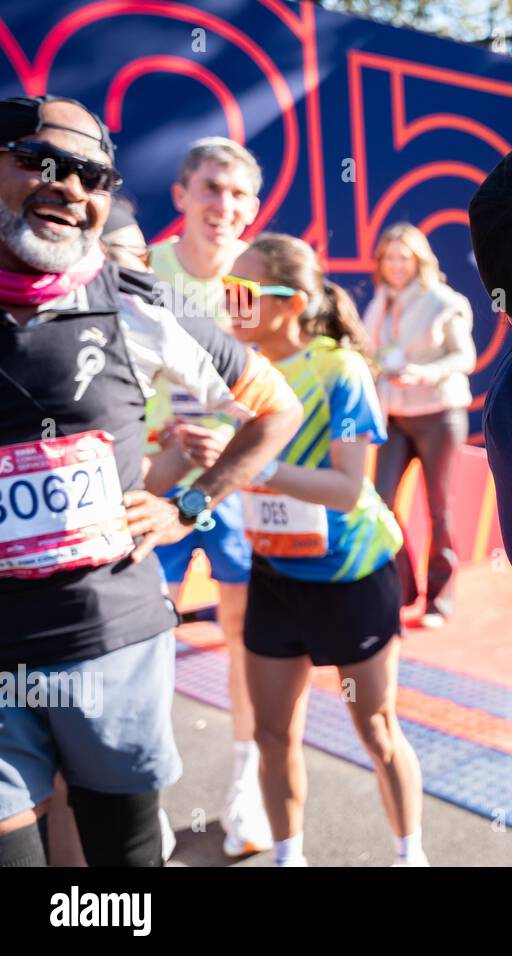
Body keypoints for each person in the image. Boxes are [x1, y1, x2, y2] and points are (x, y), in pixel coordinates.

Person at [0, 95, 301, 867]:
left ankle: (241, 786)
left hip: (112, 645)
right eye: (39, 161)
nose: (67, 185)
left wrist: (187, 506)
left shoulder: (138, 300)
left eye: (91, 175)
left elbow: (277, 408)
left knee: (123, 876)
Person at [225, 233, 427, 867]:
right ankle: (288, 859)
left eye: (241, 291)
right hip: (275, 571)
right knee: (271, 733)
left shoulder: (339, 369)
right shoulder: (238, 368)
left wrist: (248, 466)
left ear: (288, 302)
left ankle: (409, 855)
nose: (228, 305)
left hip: (351, 575)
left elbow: (347, 488)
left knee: (375, 728)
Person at [145, 136, 271, 857]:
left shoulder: (257, 279)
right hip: (149, 486)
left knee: (243, 638)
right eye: (212, 188)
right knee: (144, 642)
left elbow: (284, 390)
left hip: (235, 490)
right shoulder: (142, 270)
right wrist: (160, 437)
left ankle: (246, 786)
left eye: (238, 194)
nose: (225, 206)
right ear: (183, 195)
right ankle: (147, 795)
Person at [363, 223, 475, 627]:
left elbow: (464, 358)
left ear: (419, 259)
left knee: (438, 508)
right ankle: (402, 587)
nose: (395, 266)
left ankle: (438, 599)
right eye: (389, 258)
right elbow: (373, 354)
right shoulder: (380, 301)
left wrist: (422, 373)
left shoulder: (444, 302)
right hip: (394, 415)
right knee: (381, 503)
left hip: (437, 415)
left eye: (403, 257)